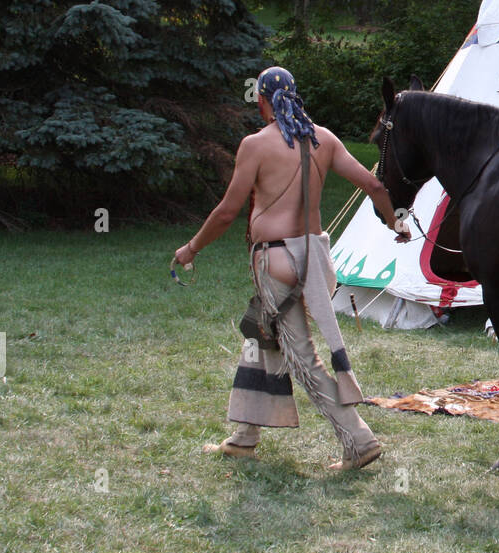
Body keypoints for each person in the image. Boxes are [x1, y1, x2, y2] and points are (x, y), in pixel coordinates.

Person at [175, 66, 409, 469]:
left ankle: (359, 438)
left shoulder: (255, 144)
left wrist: (192, 248)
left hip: (276, 263)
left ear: (263, 100)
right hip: (312, 260)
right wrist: (396, 221)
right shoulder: (325, 139)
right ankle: (244, 435)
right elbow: (373, 185)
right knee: (259, 333)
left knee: (303, 359)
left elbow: (229, 209)